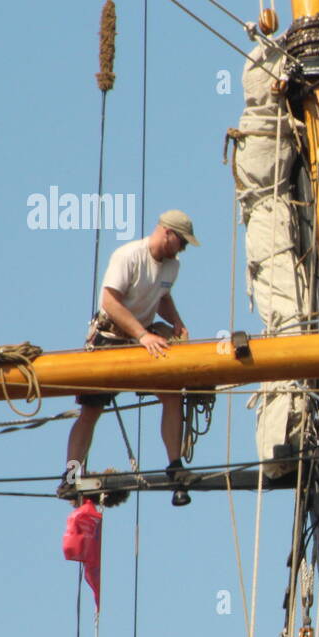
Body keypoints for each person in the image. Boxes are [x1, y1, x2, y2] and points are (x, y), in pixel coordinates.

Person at [58, 210, 201, 501]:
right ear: (167, 233)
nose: (183, 248)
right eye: (182, 241)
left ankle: (175, 466)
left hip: (142, 339)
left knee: (172, 394)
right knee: (91, 412)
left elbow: (162, 296)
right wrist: (143, 335)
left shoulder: (173, 266)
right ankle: (71, 476)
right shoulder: (129, 256)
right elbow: (110, 301)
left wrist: (176, 321)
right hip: (110, 339)